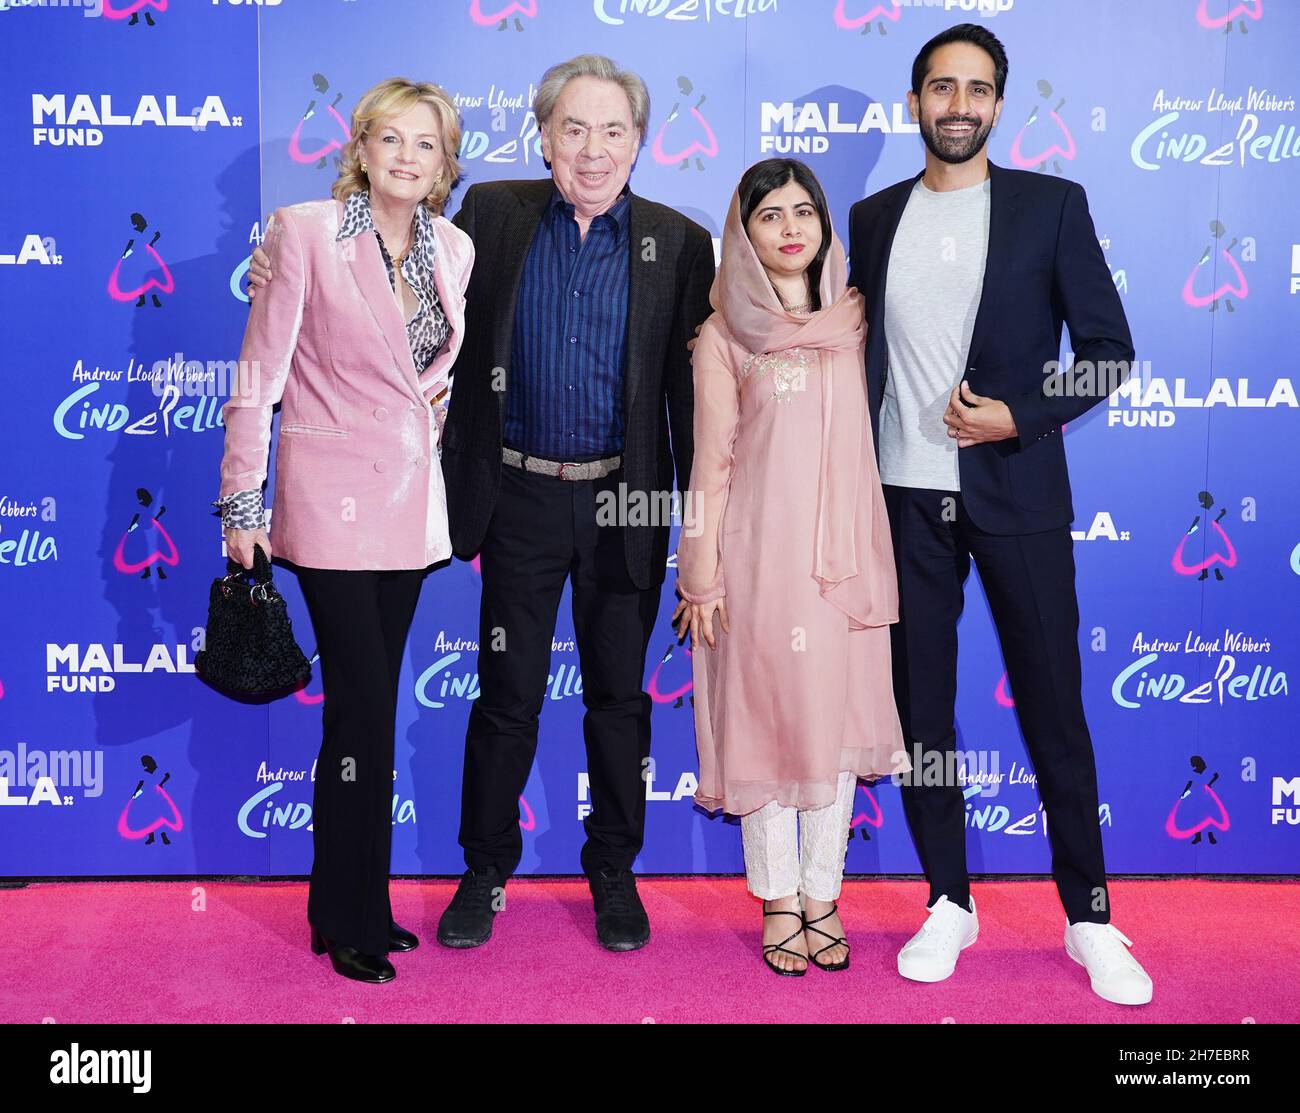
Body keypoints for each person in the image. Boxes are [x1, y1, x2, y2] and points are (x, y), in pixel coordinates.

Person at [847, 24, 1152, 1005]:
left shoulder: (1049, 207)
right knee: (922, 711)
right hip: (900, 501)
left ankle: (1089, 915)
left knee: (1054, 708)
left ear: (997, 104)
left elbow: (1108, 349)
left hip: (1014, 492)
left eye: (976, 88)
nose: (958, 104)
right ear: (915, 103)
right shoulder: (870, 216)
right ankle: (948, 899)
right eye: (941, 87)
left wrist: (1023, 414)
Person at [441, 53, 714, 953]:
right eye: (574, 129)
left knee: (617, 702)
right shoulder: (491, 215)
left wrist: (697, 539)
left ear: (640, 142)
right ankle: (484, 868)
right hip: (515, 494)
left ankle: (613, 869)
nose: (592, 150)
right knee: (505, 695)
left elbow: (691, 407)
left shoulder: (677, 242)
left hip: (623, 504)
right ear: (544, 135)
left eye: (613, 131)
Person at [232, 77, 474, 984]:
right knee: (364, 715)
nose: (408, 157)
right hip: (330, 509)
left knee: (364, 717)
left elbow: (431, 380)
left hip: (410, 517)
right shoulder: (303, 233)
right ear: (361, 148)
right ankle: (349, 916)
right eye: (392, 140)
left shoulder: (454, 249)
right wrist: (241, 505)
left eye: (428, 144)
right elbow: (259, 376)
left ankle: (348, 903)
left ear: (446, 164)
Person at [675, 158, 907, 976]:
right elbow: (710, 465)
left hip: (845, 566)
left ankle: (822, 895)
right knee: (768, 728)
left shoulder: (854, 323)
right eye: (768, 216)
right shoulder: (723, 335)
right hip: (759, 564)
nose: (789, 229)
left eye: (803, 211)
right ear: (743, 232)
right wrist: (700, 574)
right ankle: (777, 897)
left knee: (835, 733)